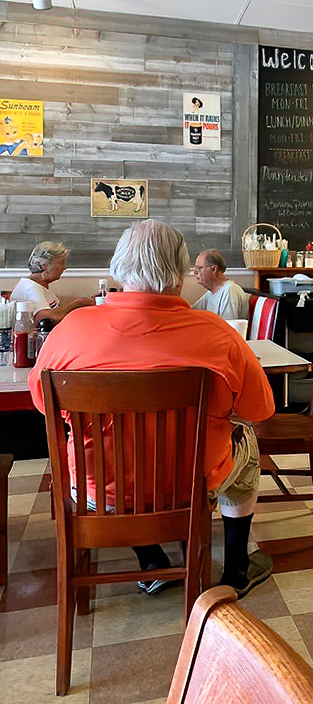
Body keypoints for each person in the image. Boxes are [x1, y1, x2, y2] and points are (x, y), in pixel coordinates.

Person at [28, 220, 276, 598]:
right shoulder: (219, 334)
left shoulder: (70, 331)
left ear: (119, 267)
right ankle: (237, 570)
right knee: (247, 442)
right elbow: (260, 411)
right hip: (191, 487)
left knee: (116, 461)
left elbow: (41, 403)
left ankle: (152, 560)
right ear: (179, 273)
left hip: (98, 495)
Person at [10, 241, 95, 323]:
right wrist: (79, 302)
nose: (64, 267)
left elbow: (58, 310)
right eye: (61, 263)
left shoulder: (40, 285)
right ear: (43, 266)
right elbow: (45, 319)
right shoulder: (31, 288)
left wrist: (86, 301)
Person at [192, 249, 249, 320]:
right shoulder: (210, 293)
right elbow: (192, 312)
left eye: (199, 268)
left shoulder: (229, 291)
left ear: (214, 269)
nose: (195, 272)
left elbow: (227, 324)